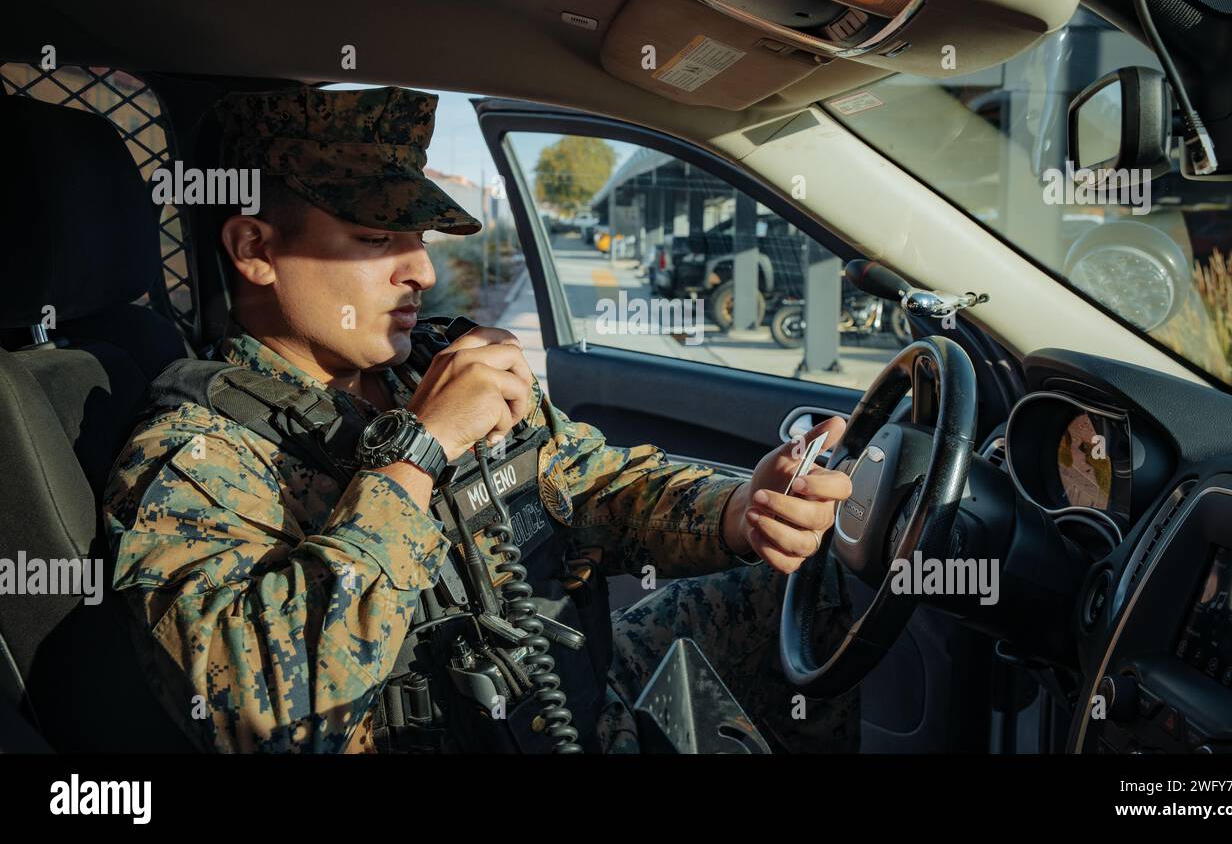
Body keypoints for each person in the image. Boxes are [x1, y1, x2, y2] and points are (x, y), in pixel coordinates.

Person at [104, 85, 859, 753]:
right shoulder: (194, 453)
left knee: (813, 590)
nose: (423, 271)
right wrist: (417, 453)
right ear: (255, 249)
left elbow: (590, 482)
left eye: (420, 239)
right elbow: (262, 712)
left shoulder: (426, 364)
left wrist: (736, 508)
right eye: (375, 238)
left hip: (571, 693)